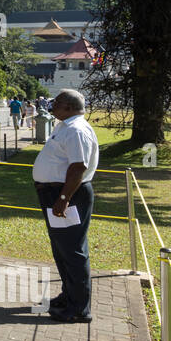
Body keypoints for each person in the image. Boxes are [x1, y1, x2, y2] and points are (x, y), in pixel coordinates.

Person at [31, 89, 100, 324]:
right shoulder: (65, 126)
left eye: (57, 103)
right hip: (56, 192)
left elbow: (78, 167)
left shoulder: (76, 130)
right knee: (62, 249)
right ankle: (68, 296)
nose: (53, 105)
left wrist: (63, 199)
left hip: (68, 194)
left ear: (69, 107)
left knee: (73, 251)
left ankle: (79, 308)